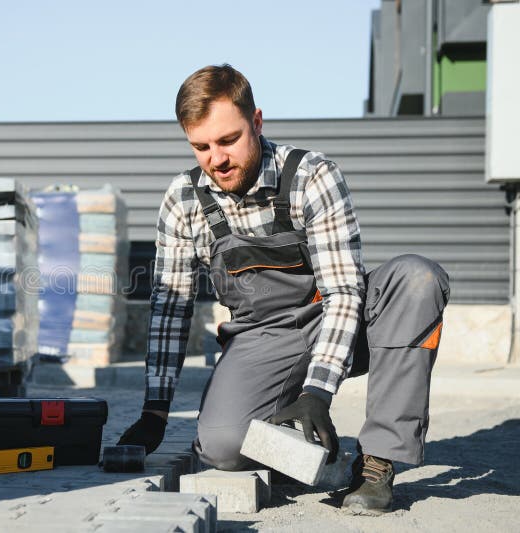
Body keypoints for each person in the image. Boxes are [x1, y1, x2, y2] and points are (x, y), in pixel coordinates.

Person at [117, 64, 450, 515]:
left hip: (341, 319)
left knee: (416, 279)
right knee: (221, 446)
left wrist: (318, 391)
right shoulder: (184, 200)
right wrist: (155, 410)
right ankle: (301, 439)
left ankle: (377, 459)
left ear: (256, 122)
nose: (216, 159)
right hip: (263, 336)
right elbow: (170, 307)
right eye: (201, 146)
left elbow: (344, 292)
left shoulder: (312, 176)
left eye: (228, 139)